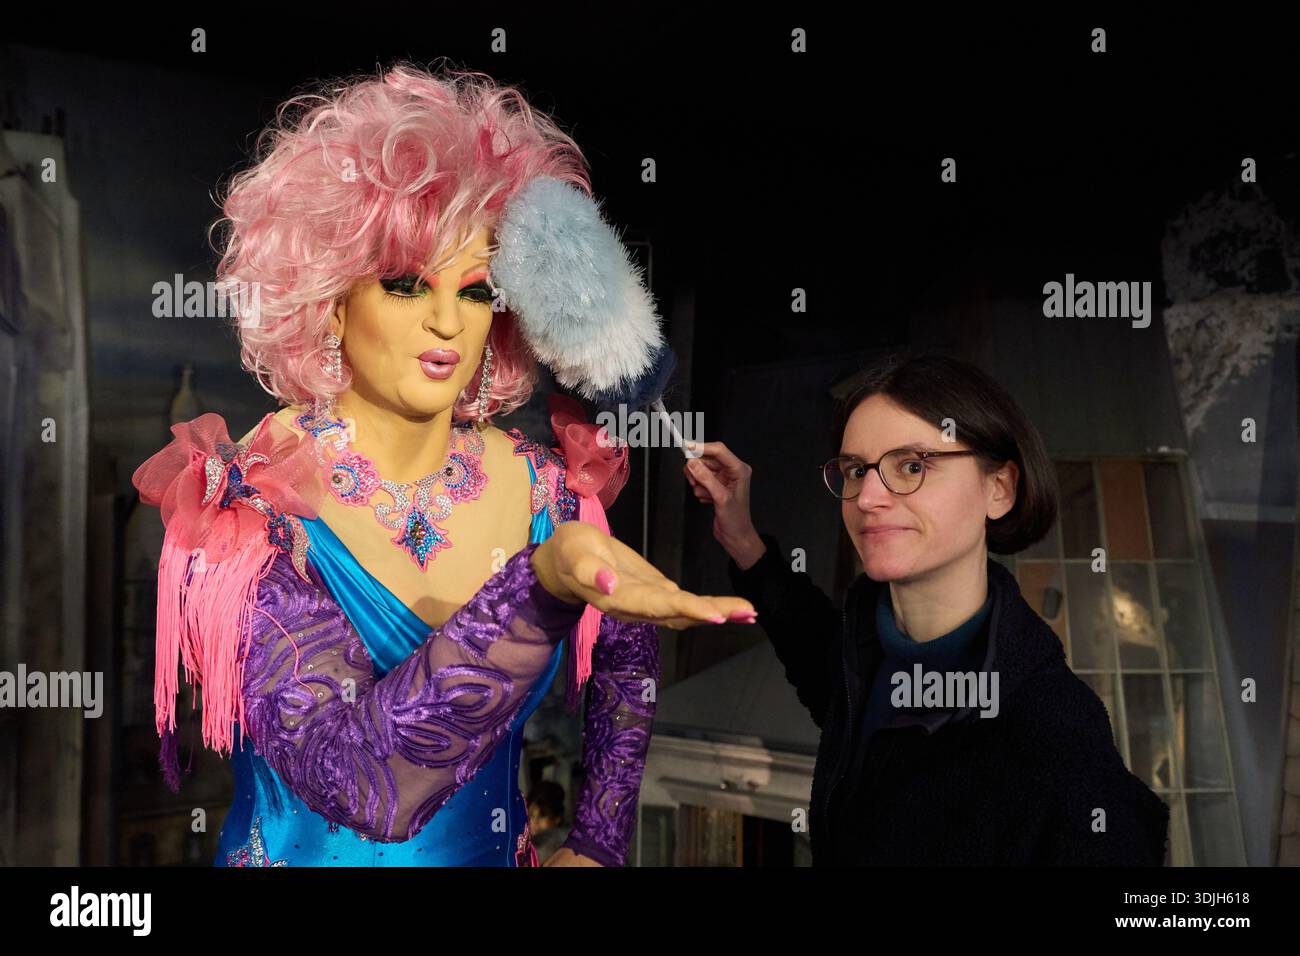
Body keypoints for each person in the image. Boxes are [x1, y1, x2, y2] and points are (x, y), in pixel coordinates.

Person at [131, 63, 753, 868]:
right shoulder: (247, 505)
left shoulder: (550, 487)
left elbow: (623, 666)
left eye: (475, 291)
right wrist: (539, 587)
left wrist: (597, 841)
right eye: (403, 283)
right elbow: (360, 780)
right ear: (326, 295)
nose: (445, 322)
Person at [684, 349, 1170, 865]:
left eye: (912, 465)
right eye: (855, 470)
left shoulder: (1052, 731)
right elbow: (820, 659)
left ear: (999, 489)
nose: (868, 496)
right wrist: (741, 538)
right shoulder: (869, 649)